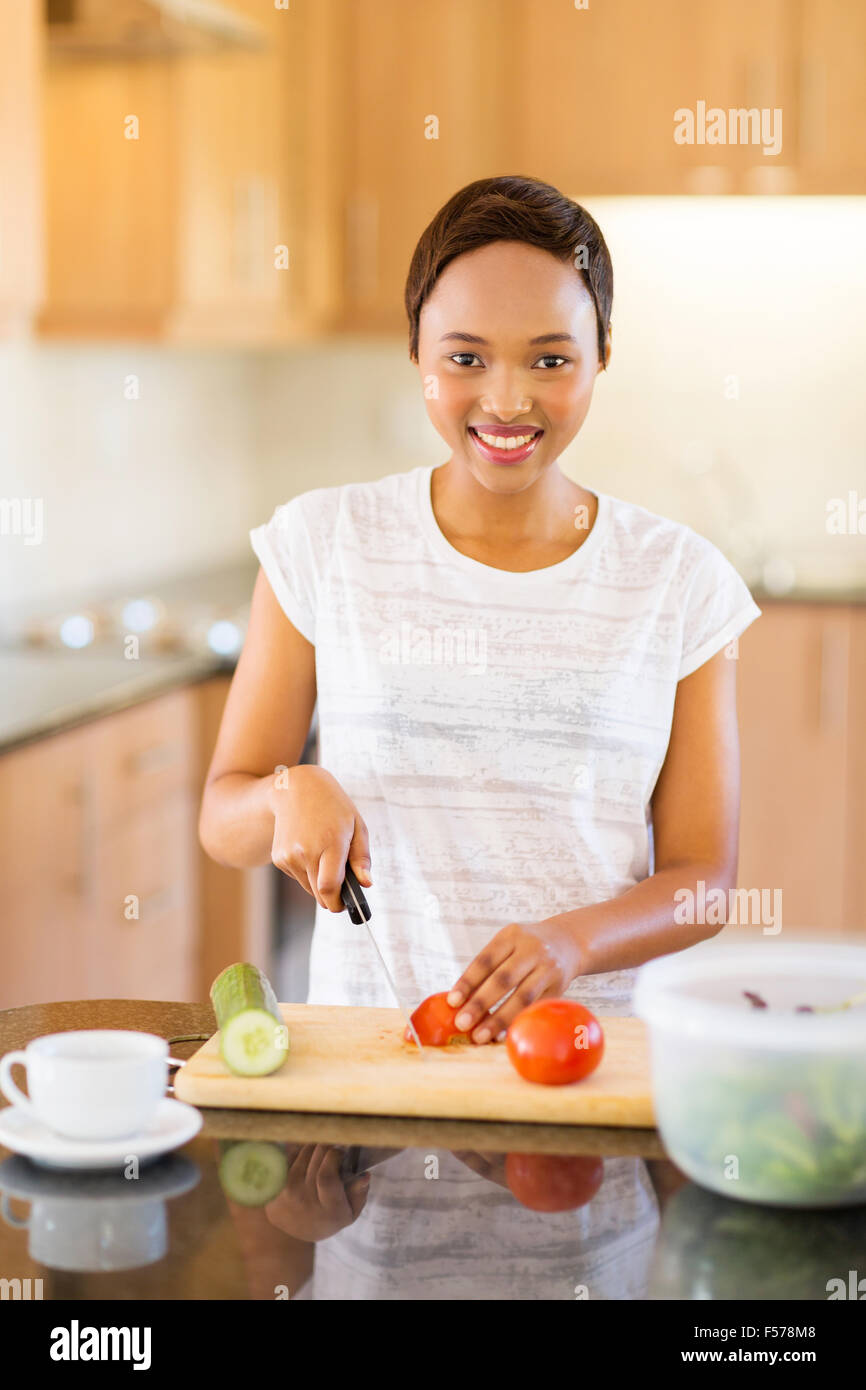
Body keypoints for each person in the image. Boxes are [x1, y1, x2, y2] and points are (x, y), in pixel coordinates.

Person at [198, 175, 761, 1297]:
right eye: (465, 357)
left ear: (602, 357)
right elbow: (224, 810)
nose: (505, 398)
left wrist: (570, 943)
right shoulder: (323, 545)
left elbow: (705, 882)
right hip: (368, 1105)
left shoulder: (677, 583)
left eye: (550, 358)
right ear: (416, 354)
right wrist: (284, 795)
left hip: (579, 1111)